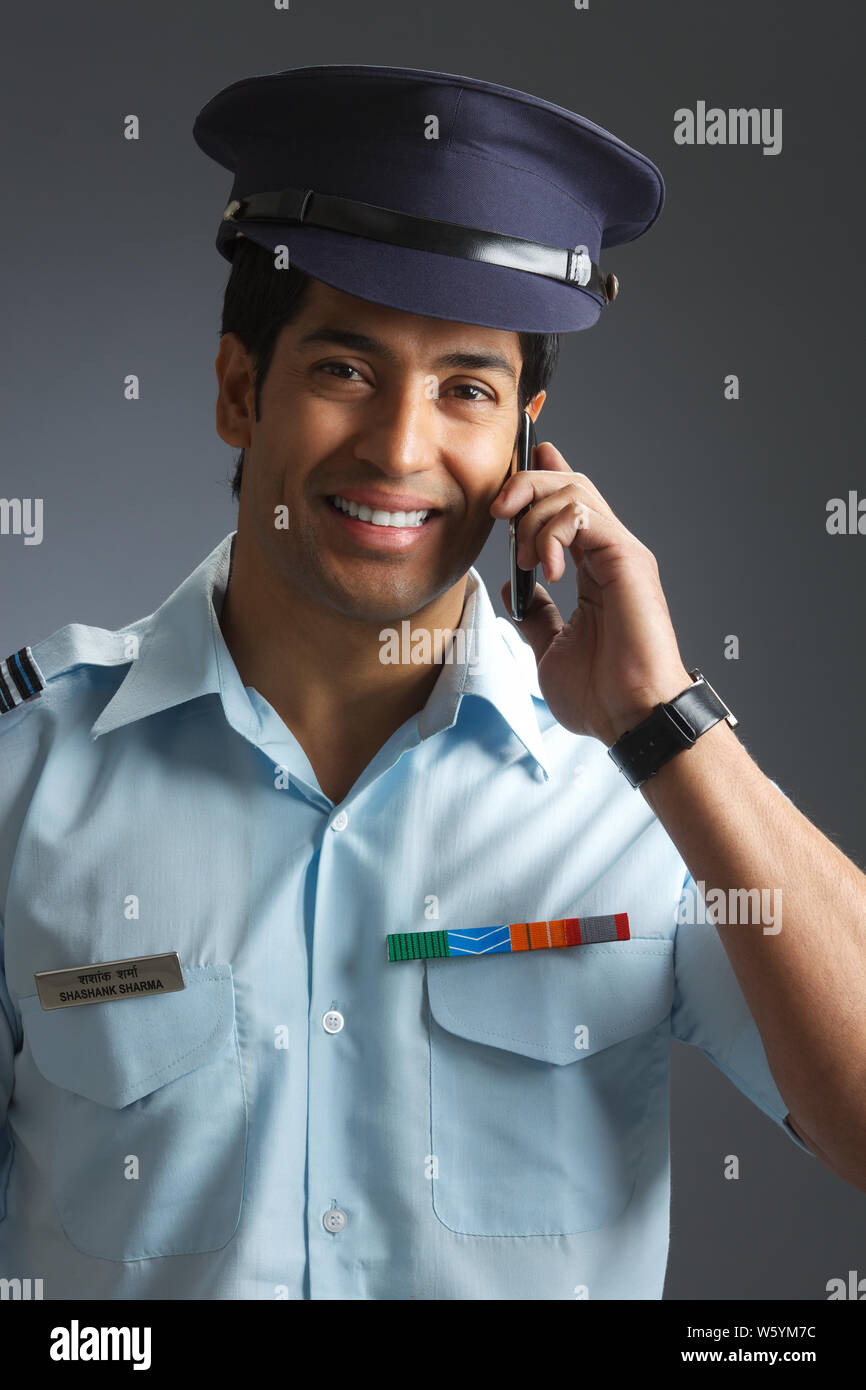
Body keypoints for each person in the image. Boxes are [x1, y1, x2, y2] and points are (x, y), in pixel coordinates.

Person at [1, 64, 864, 1302]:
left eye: (465, 388)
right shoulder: (24, 776)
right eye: (342, 370)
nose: (400, 449)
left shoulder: (645, 785)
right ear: (241, 391)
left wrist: (668, 726)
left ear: (523, 439)